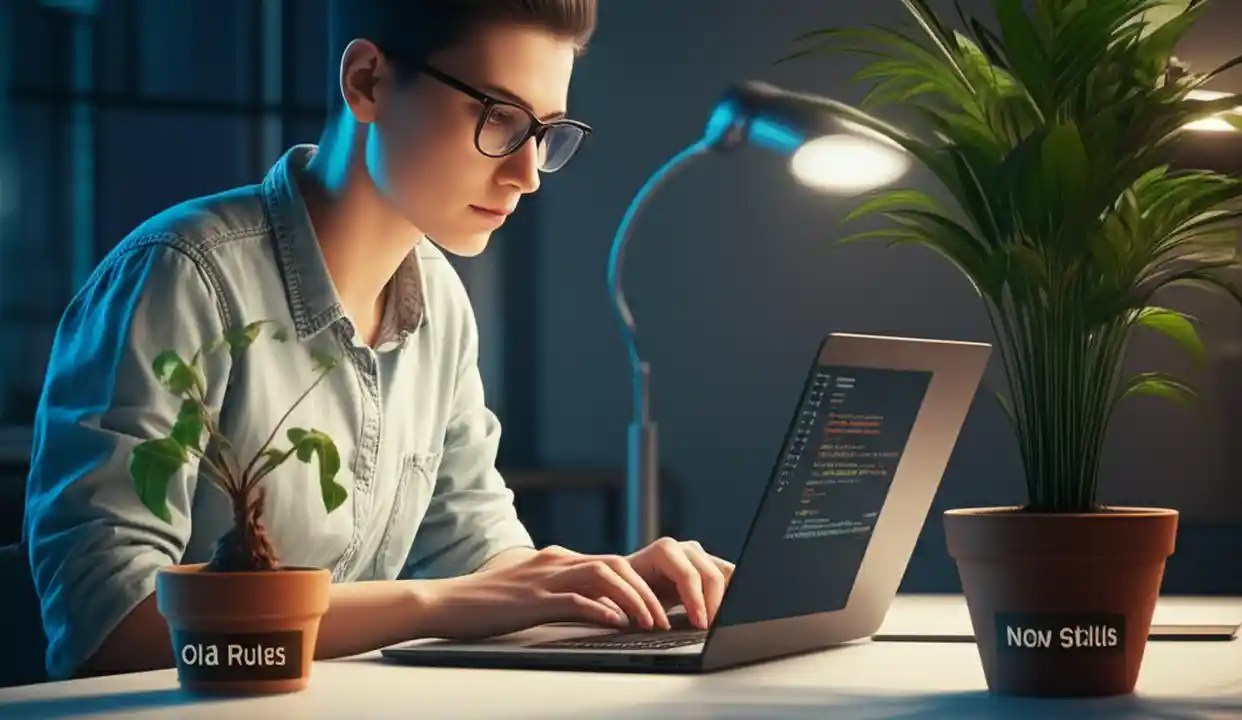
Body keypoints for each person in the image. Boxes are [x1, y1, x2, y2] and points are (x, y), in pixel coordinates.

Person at [23, 0, 734, 682]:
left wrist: (608, 586)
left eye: (545, 134)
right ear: (367, 81)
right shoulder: (182, 279)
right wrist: (431, 606)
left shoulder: (440, 303)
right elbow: (108, 626)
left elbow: (476, 554)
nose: (525, 175)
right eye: (498, 118)